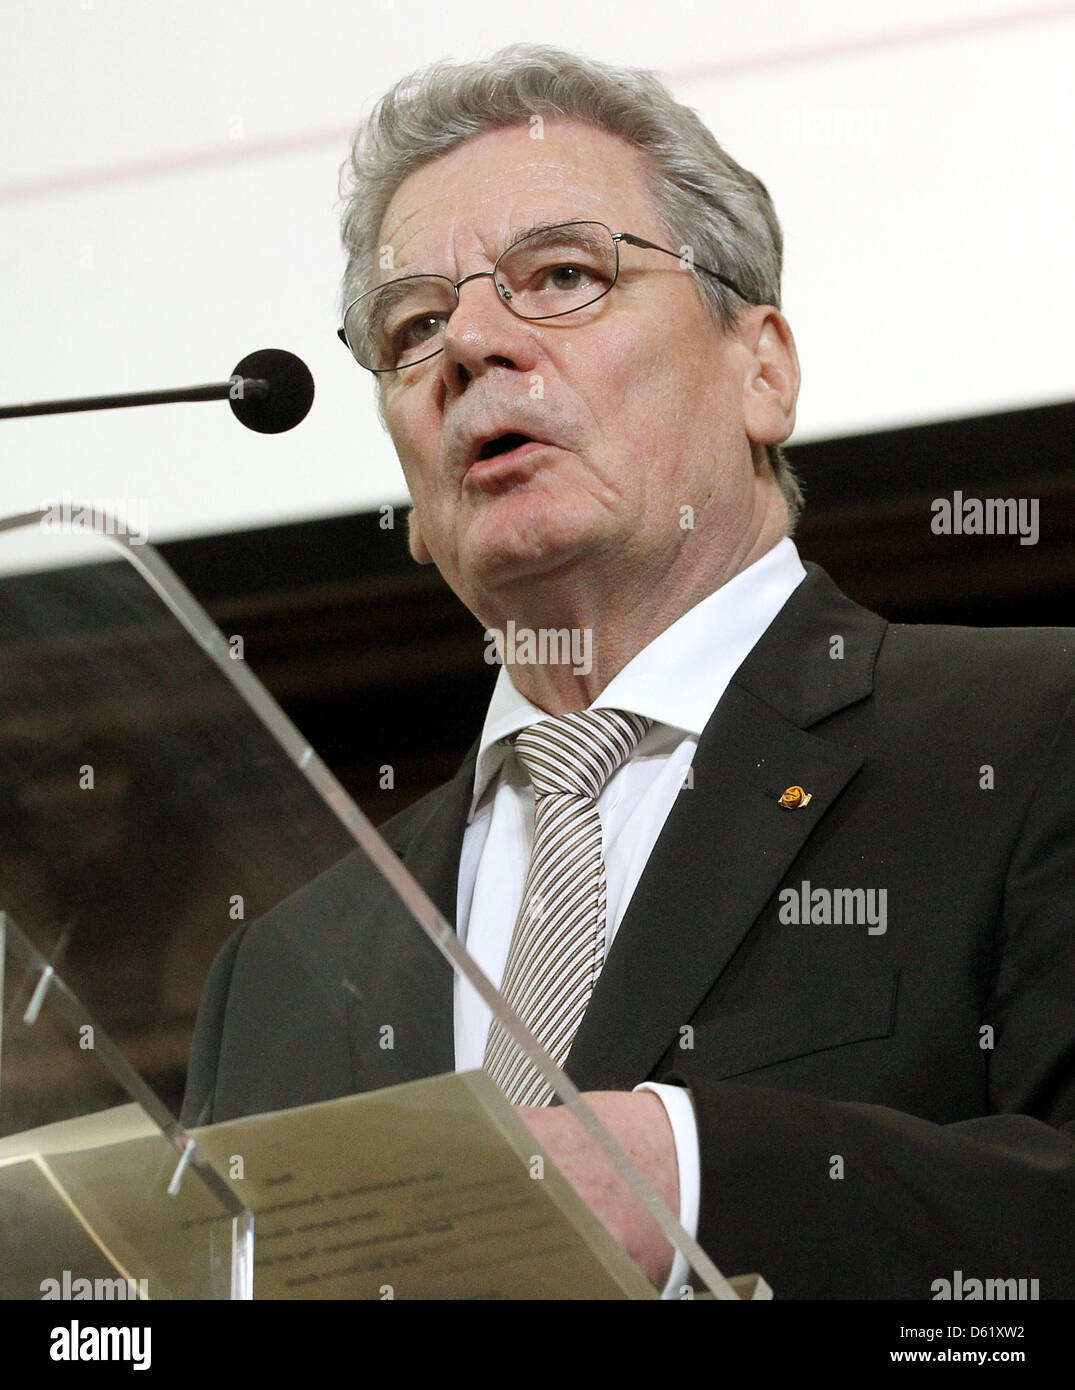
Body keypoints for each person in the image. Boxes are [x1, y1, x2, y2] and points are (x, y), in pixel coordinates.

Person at [182, 44, 1075, 1299]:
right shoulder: (280, 973)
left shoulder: (1030, 738)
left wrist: (701, 1177)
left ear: (761, 367)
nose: (472, 345)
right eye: (416, 323)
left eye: (561, 275)